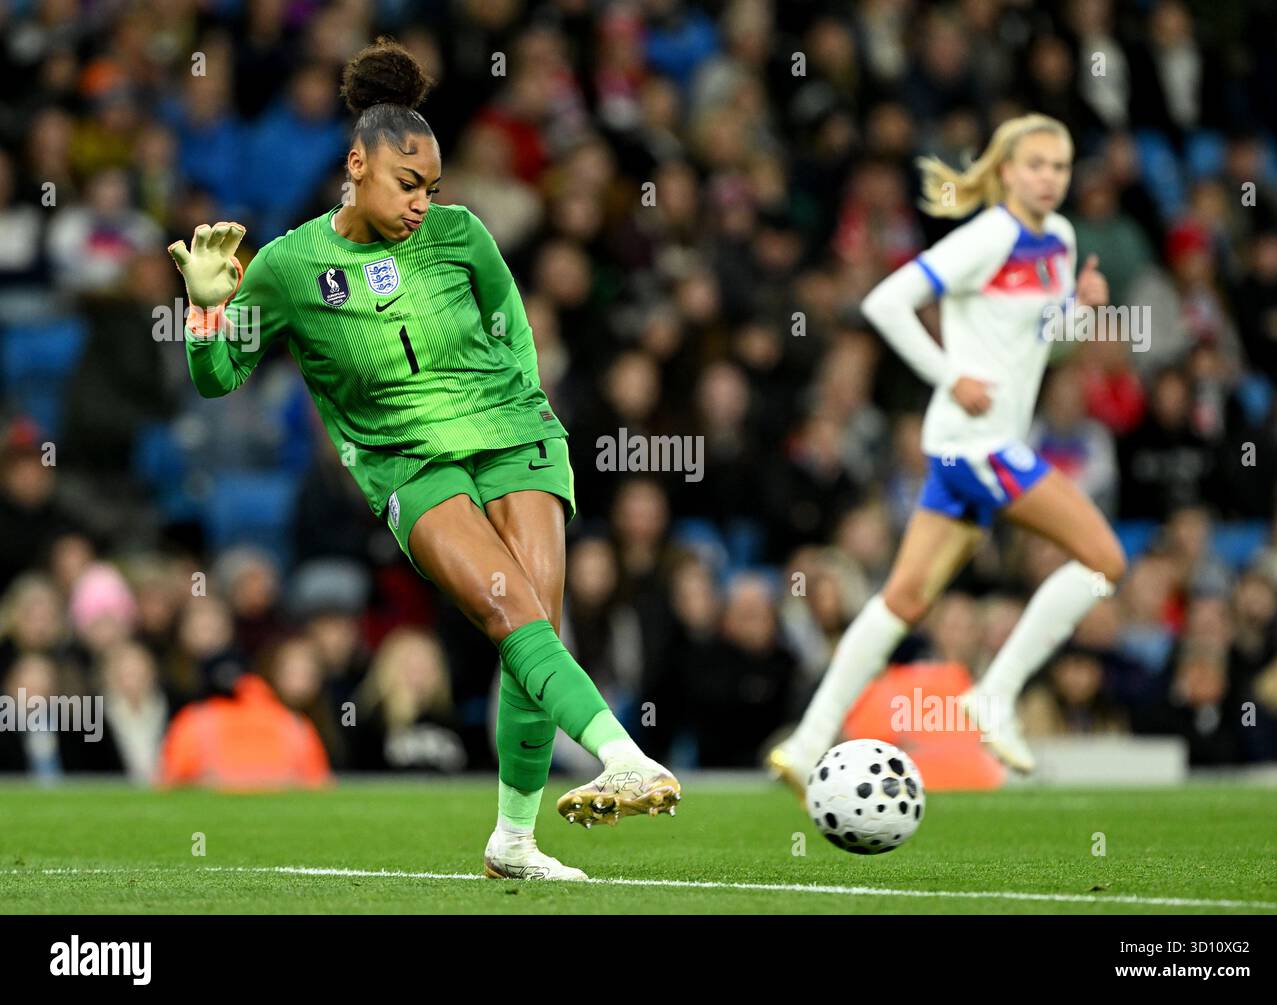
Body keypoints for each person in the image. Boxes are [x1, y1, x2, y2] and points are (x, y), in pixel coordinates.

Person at [166, 38, 679, 881]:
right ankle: (622, 753)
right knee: (510, 609)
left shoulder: (459, 233)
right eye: (409, 184)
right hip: (410, 464)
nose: (421, 202)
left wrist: (524, 416)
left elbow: (512, 326)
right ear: (357, 163)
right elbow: (218, 381)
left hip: (516, 438)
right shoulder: (291, 267)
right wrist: (205, 313)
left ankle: (514, 840)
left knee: (535, 629)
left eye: (432, 187)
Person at [768, 113, 1127, 796]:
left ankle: (808, 738)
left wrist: (1082, 309)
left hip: (976, 449)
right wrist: (948, 374)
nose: (1050, 177)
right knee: (1106, 560)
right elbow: (887, 301)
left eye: (1061, 165)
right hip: (978, 445)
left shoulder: (1060, 239)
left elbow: (1041, 338)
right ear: (1007, 171)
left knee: (902, 597)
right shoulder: (988, 235)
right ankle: (995, 695)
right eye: (1036, 164)